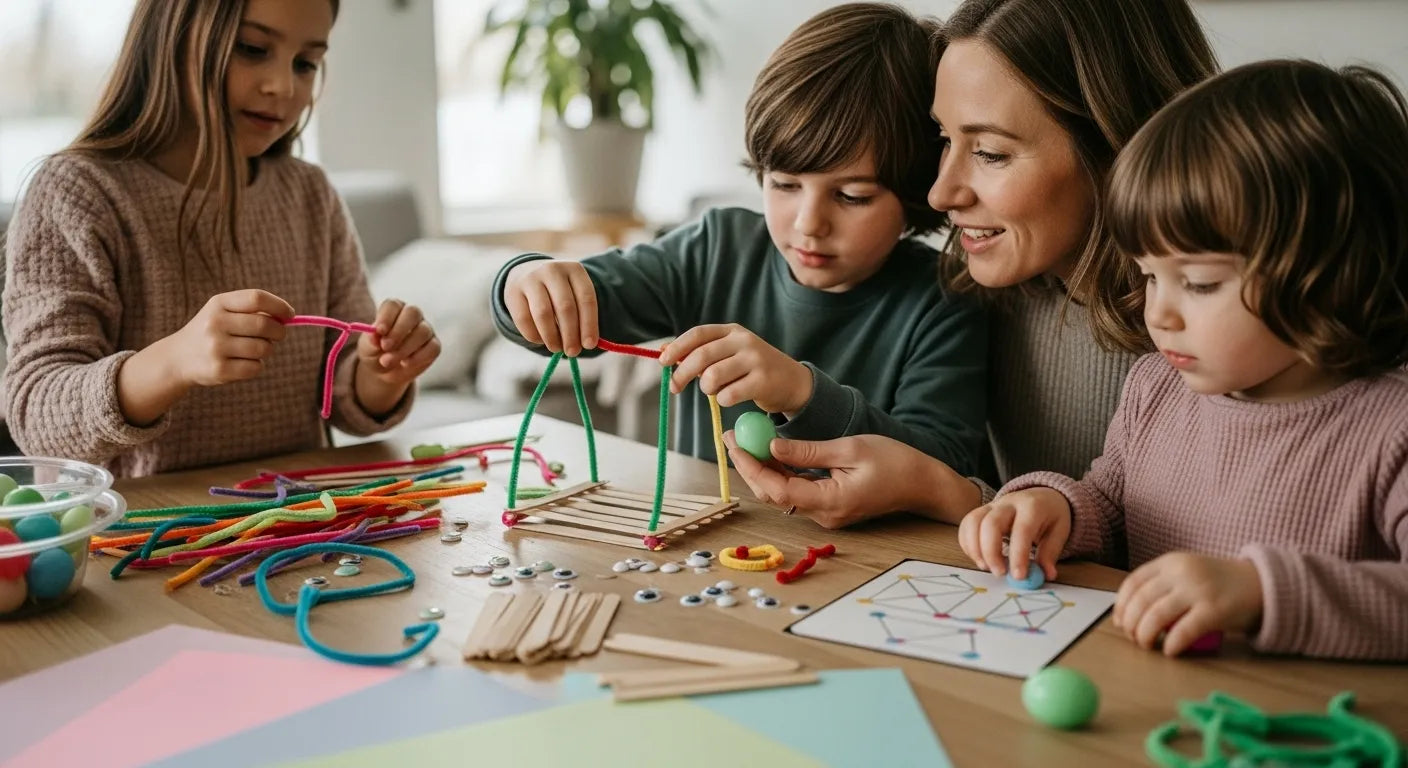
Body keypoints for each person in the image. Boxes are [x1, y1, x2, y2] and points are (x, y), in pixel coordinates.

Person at [960, 60, 1408, 660]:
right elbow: (1114, 506)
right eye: (1149, 276)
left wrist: (1260, 593)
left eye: (1198, 283)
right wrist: (1056, 507)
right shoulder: (1156, 386)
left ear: (1331, 277)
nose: (1159, 315)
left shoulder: (1393, 427)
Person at [726, 0, 1219, 528]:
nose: (939, 193)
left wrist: (941, 491)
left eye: (989, 152)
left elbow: (1177, 570)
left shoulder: (1229, 338)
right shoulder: (992, 295)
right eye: (945, 139)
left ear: (1117, 147)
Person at [491, 3, 988, 475]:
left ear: (920, 189)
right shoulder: (716, 249)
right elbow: (576, 307)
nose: (808, 223)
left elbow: (945, 466)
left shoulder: (946, 298)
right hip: (709, 548)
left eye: (853, 196)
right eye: (785, 184)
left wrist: (801, 393)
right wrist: (526, 281)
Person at [3, 0, 440, 477]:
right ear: (172, 35)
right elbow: (36, 413)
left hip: (297, 521)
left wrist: (380, 374)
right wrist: (174, 361)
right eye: (252, 49)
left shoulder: (310, 194)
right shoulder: (77, 192)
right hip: (149, 538)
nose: (283, 86)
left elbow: (343, 392)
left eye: (306, 63)